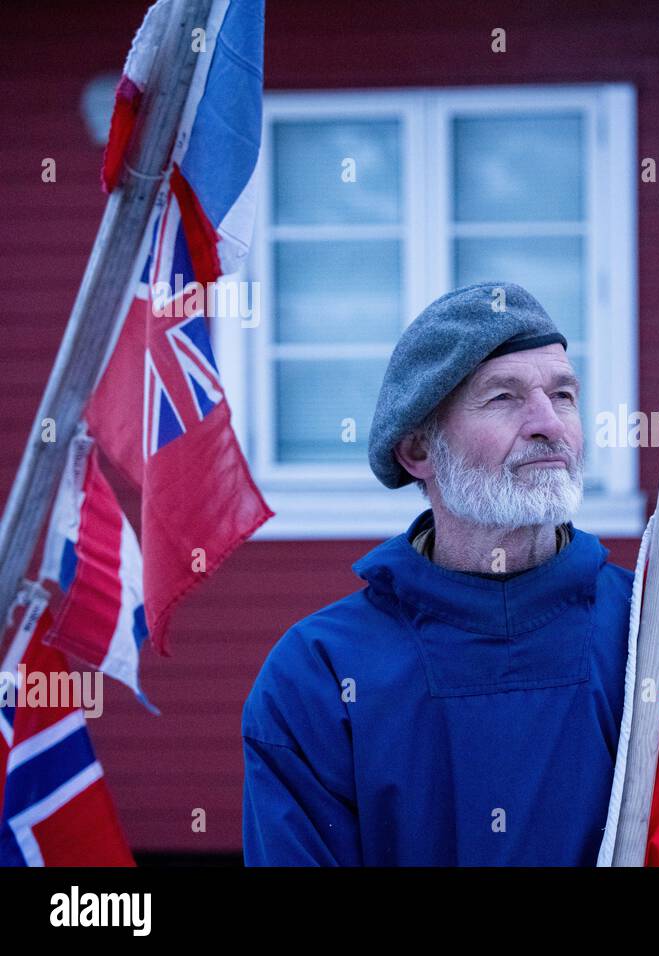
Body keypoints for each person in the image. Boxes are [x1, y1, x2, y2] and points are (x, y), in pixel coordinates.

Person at [241, 281, 633, 865]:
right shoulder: (319, 672)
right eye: (503, 397)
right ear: (419, 451)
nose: (548, 423)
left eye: (565, 395)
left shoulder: (651, 629)